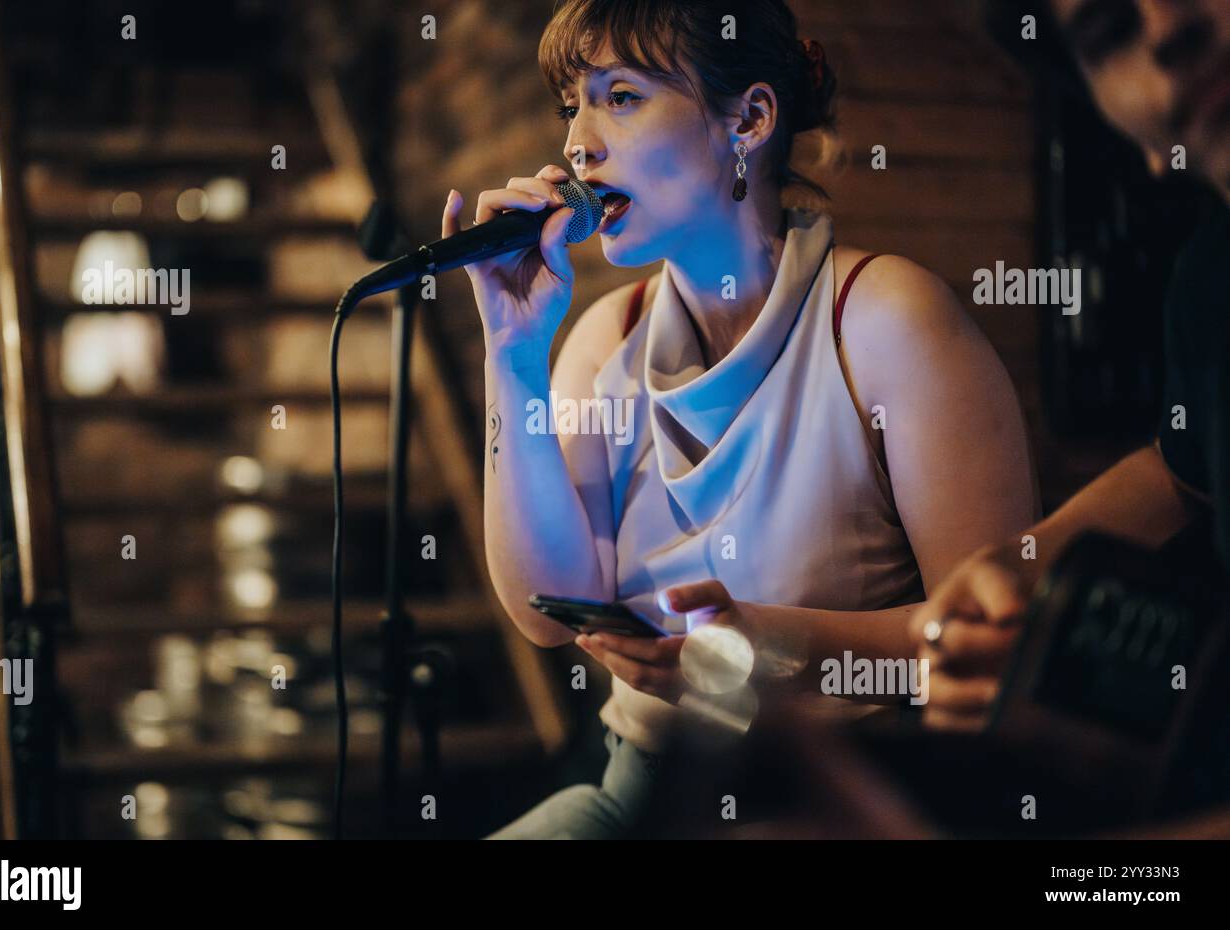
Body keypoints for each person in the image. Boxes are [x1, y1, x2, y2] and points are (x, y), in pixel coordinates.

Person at [442, 0, 1037, 838]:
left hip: (836, 801)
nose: (577, 141)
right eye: (570, 104)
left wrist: (766, 653)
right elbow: (548, 611)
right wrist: (513, 352)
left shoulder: (884, 321)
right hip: (638, 788)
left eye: (621, 96)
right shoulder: (601, 340)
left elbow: (996, 651)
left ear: (749, 119)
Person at [912, 0, 1230, 731]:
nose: (1166, 26)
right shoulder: (1209, 281)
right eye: (1108, 31)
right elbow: (1183, 473)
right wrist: (1023, 567)